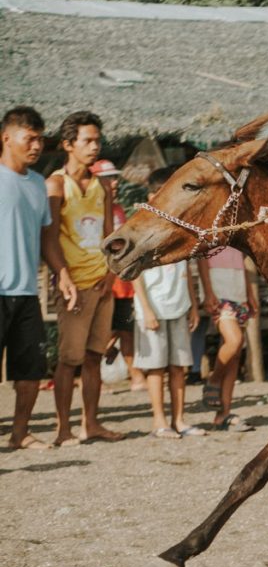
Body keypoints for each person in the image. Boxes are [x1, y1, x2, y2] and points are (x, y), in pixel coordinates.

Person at [45, 111, 124, 445]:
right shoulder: (56, 183)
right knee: (69, 359)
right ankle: (63, 428)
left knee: (94, 357)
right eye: (87, 140)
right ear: (68, 144)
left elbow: (109, 235)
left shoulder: (102, 186)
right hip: (73, 285)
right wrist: (62, 277)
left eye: (97, 140)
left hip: (101, 281)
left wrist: (110, 274)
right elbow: (48, 238)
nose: (94, 147)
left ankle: (91, 423)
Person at [2, 107, 78, 450]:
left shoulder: (37, 184)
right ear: (7, 138)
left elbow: (48, 237)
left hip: (27, 291)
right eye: (28, 138)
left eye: (39, 139)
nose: (36, 145)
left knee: (31, 370)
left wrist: (62, 273)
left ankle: (20, 434)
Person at [133, 171, 205, 439]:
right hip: (152, 306)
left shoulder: (181, 225)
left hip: (179, 304)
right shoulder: (140, 225)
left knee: (179, 366)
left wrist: (194, 305)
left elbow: (188, 270)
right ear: (152, 195)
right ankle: (159, 421)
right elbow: (134, 274)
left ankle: (180, 419)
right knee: (156, 367)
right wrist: (147, 309)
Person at [198, 244, 258, 432]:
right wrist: (208, 292)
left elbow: (241, 261)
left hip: (238, 290)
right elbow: (201, 258)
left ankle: (223, 415)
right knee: (235, 340)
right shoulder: (210, 225)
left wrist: (249, 294)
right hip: (218, 289)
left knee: (235, 356)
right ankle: (213, 380)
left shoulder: (235, 226)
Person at [99, 160, 146, 390]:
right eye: (108, 178)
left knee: (125, 330)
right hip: (102, 282)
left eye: (115, 177)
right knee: (105, 333)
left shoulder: (118, 209)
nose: (114, 182)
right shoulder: (93, 208)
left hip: (123, 283)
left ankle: (136, 376)